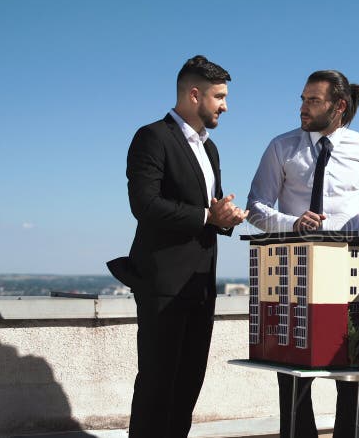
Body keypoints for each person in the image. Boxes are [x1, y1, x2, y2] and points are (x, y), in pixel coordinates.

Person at [246, 69, 359, 438]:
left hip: (349, 275)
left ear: (339, 106)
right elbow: (255, 207)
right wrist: (292, 223)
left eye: (313, 100)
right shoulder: (281, 147)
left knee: (351, 370)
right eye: (303, 99)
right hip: (294, 274)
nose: (303, 107)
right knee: (294, 375)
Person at [107, 55, 248, 438]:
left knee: (187, 388)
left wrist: (225, 216)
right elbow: (144, 204)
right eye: (219, 97)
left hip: (201, 285)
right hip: (163, 283)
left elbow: (210, 210)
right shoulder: (152, 137)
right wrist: (206, 216)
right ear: (194, 94)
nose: (225, 106)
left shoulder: (210, 149)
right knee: (157, 387)